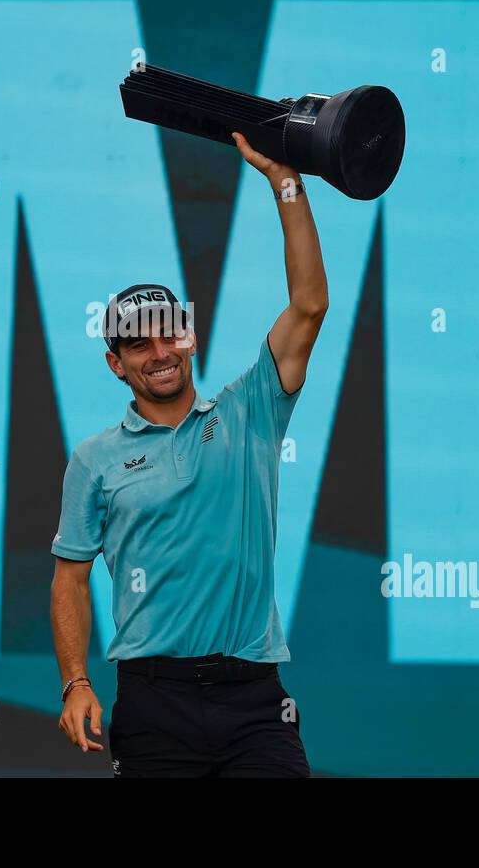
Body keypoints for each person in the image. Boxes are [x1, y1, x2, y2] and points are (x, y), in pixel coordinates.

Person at [50, 132, 327, 777]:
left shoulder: (251, 409)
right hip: (153, 701)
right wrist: (74, 681)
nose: (160, 352)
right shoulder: (94, 458)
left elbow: (310, 304)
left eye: (169, 332)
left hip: (255, 699)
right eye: (137, 345)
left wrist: (285, 182)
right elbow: (70, 575)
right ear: (115, 364)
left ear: (191, 336)